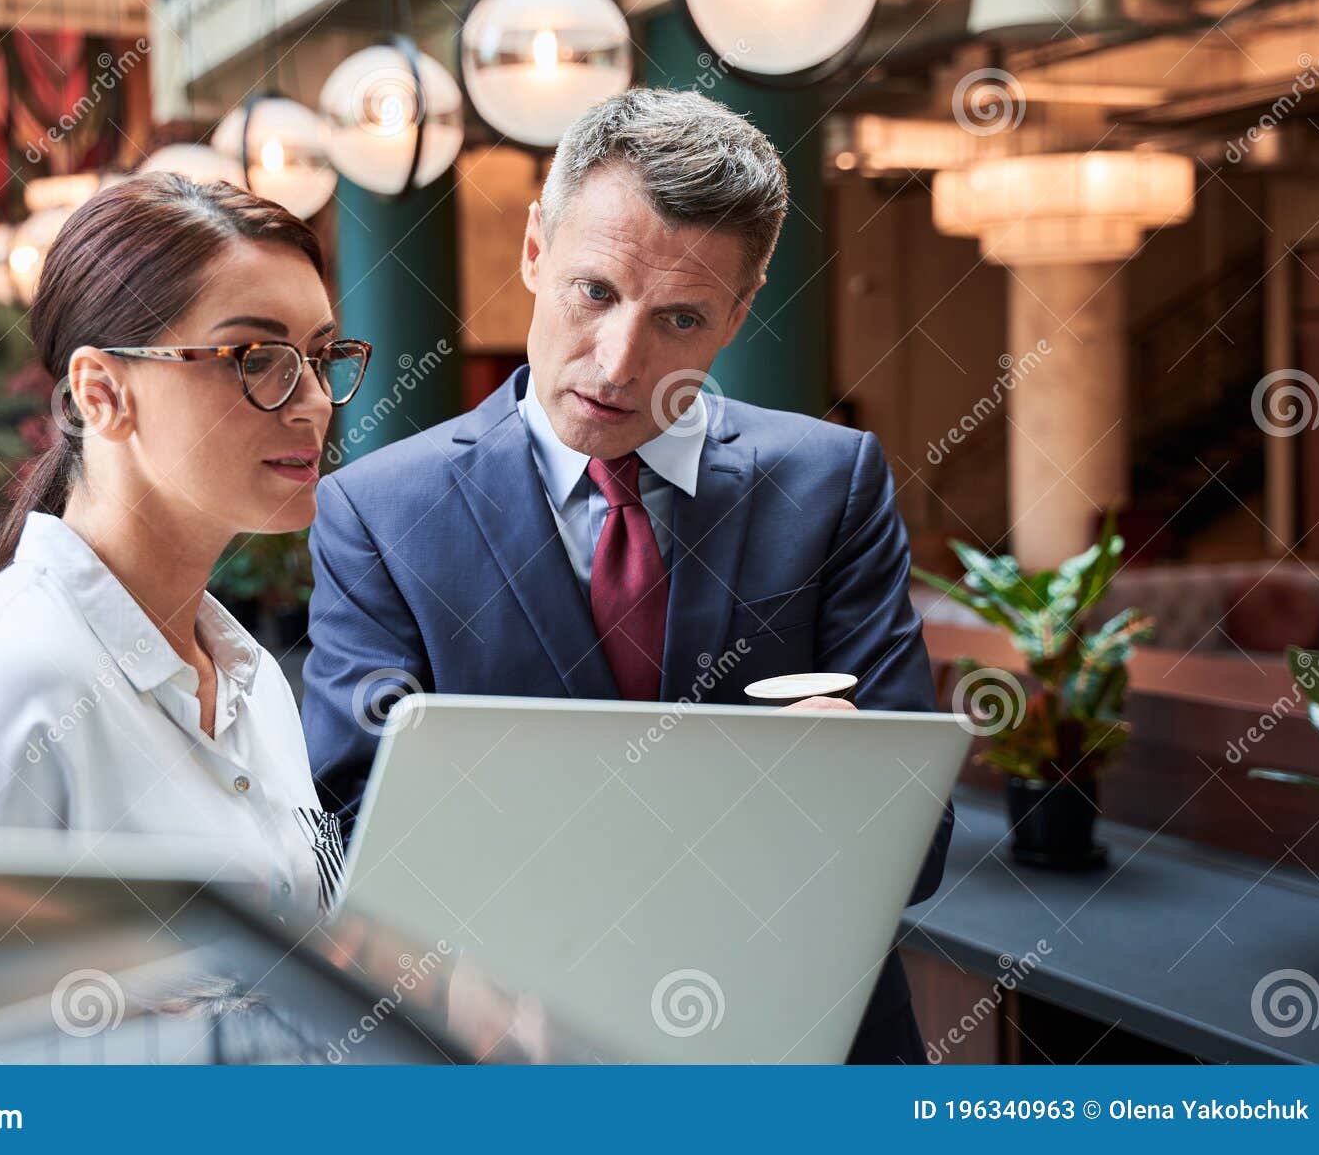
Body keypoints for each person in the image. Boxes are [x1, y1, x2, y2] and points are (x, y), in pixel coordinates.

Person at [301, 88, 954, 1060]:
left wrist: (853, 791)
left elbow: (917, 842)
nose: (618, 363)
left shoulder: (834, 484)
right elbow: (356, 836)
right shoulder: (380, 512)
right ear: (533, 250)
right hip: (517, 1053)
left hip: (799, 1045)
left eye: (680, 318)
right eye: (594, 291)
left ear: (738, 312)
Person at [0, 173, 367, 914]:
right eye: (255, 356)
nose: (312, 402)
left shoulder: (253, 683)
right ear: (101, 391)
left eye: (320, 355)